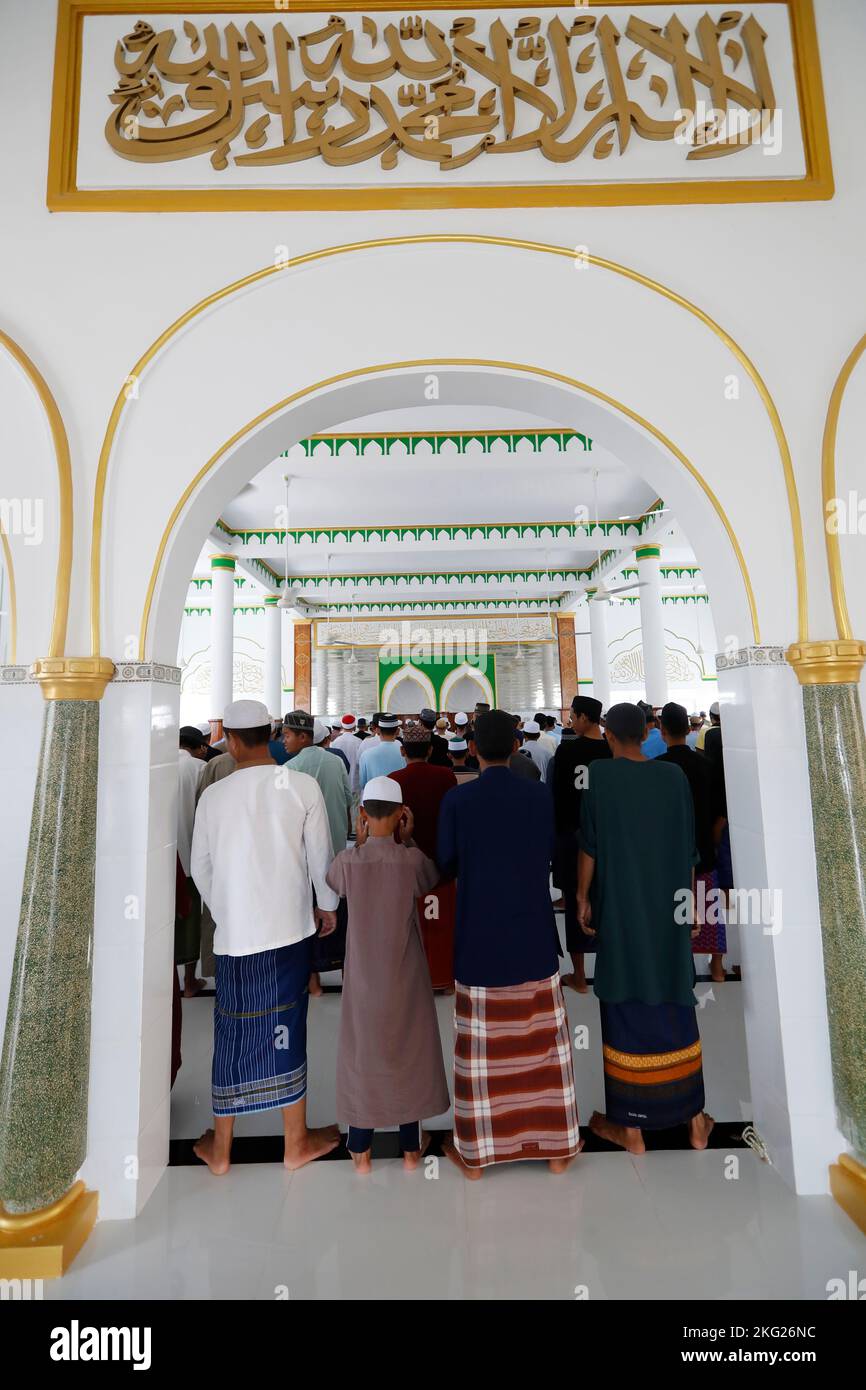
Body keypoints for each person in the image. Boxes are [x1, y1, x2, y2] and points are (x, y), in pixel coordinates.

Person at [190, 698, 341, 1175]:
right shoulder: (300, 786)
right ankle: (294, 1143)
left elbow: (199, 868)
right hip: (290, 931)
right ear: (271, 735)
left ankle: (222, 1148)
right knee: (286, 1025)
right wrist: (327, 905)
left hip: (236, 937)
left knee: (232, 1030)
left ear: (232, 742)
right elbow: (320, 856)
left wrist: (230, 911)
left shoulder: (215, 797)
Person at [437, 709, 581, 1178]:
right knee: (543, 1046)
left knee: (482, 1052)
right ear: (517, 746)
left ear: (472, 748)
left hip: (480, 937)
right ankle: (556, 1148)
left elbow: (446, 862)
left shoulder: (458, 800)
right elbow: (548, 850)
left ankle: (478, 1155)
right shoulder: (538, 795)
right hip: (533, 934)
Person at [576, 702, 714, 1154]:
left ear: (609, 736)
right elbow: (688, 848)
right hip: (668, 912)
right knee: (674, 994)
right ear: (646, 732)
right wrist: (690, 904)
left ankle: (631, 1130)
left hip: (620, 911)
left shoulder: (599, 775)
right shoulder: (673, 777)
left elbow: (590, 846)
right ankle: (695, 1121)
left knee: (623, 1000)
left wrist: (581, 897)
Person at [326, 777, 449, 1173]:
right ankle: (411, 1149)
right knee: (407, 1051)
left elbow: (333, 883)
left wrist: (360, 844)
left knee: (364, 1052)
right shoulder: (411, 861)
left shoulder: (348, 862)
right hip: (405, 973)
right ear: (401, 815)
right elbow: (431, 878)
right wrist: (409, 841)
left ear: (361, 815)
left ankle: (360, 1149)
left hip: (362, 977)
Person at [283, 711, 354, 996]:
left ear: (304, 737)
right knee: (339, 916)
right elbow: (348, 798)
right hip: (336, 853)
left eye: (288, 735)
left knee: (307, 917)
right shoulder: (335, 762)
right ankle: (346, 976)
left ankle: (313, 984)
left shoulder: (289, 768)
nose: (284, 740)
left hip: (303, 859)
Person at [658, 702, 727, 982]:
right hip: (703, 848)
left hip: (668, 854)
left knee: (674, 908)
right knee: (709, 907)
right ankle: (717, 966)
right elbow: (721, 811)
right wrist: (712, 839)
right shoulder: (707, 765)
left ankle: (676, 963)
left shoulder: (657, 768)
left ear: (662, 731)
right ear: (689, 730)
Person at [550, 695, 613, 994]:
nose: (572, 721)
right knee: (606, 898)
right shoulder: (611, 750)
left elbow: (558, 796)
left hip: (572, 837)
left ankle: (579, 974)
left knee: (576, 899)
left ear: (585, 718)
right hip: (606, 837)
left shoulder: (567, 750)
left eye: (574, 716)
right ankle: (609, 966)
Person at [392, 720, 458, 990]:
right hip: (442, 864)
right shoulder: (446, 776)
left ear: (402, 751)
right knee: (443, 924)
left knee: (409, 925)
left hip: (406, 867)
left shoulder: (393, 781)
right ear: (430, 750)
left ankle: (411, 981)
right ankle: (444, 978)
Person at [177, 726, 207, 997]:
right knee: (189, 918)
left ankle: (166, 984)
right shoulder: (199, 768)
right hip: (189, 856)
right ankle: (189, 981)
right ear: (199, 747)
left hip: (158, 860)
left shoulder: (154, 763)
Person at [358, 712, 403, 787]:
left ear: (378, 730)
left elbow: (362, 784)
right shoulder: (403, 751)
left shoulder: (366, 755)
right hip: (398, 793)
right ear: (397, 731)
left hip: (373, 793)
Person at [332, 714, 363, 793]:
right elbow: (360, 762)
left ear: (342, 726)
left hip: (341, 783)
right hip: (355, 783)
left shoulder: (336, 742)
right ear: (354, 726)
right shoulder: (359, 741)